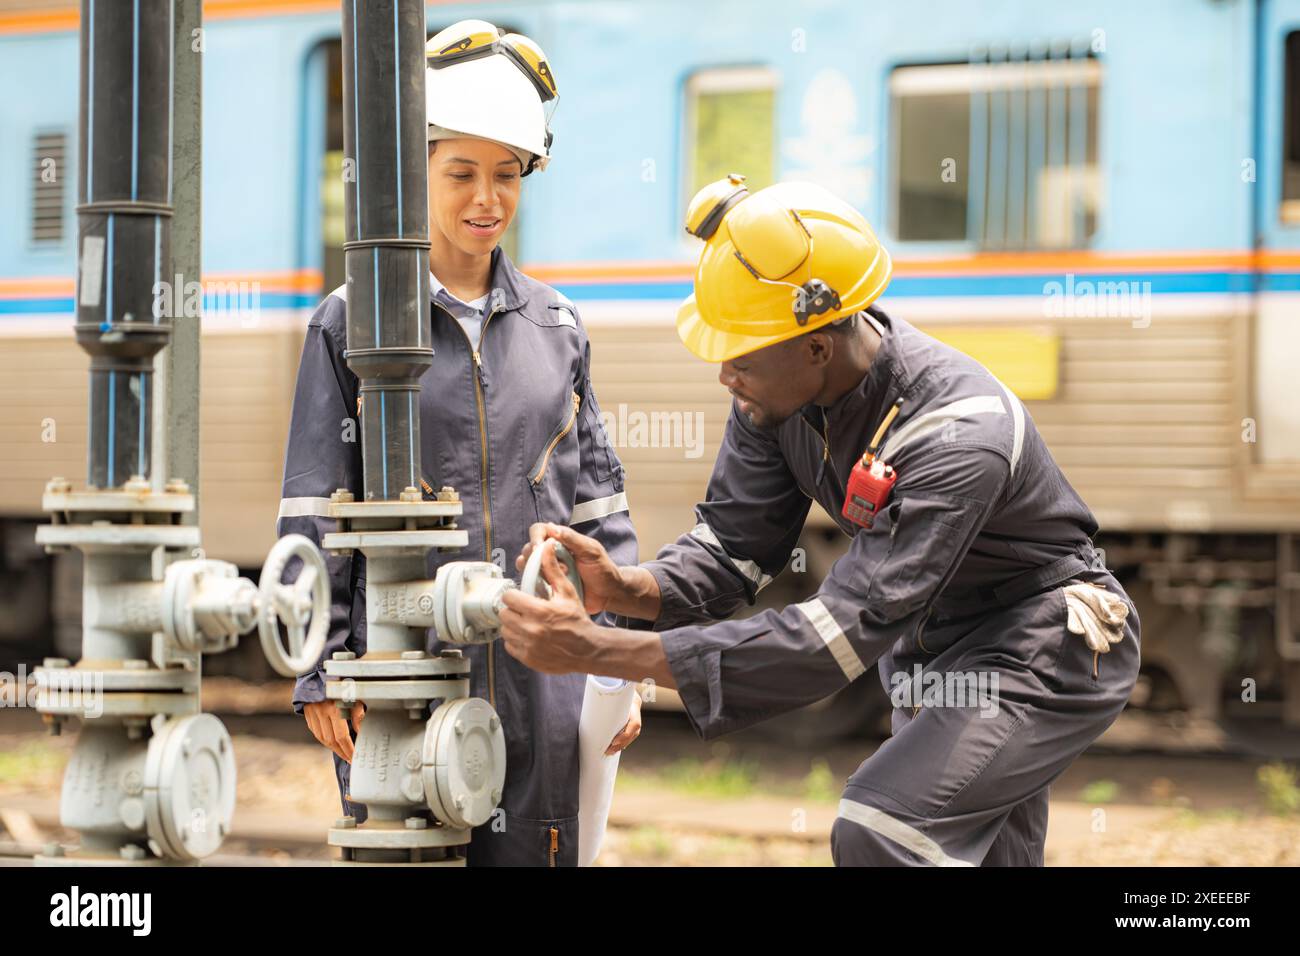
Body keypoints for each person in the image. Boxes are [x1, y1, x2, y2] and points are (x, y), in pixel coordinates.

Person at [498, 174, 1141, 866]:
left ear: (816, 344)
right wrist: (622, 588)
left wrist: (593, 651)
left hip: (1043, 642)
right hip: (934, 656)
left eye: (739, 354)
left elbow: (827, 643)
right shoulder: (773, 401)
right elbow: (730, 551)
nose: (725, 375)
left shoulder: (959, 434)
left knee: (885, 827)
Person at [276, 20, 640, 866]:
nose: (488, 198)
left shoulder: (556, 323)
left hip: (541, 671)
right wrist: (322, 664)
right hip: (402, 671)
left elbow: (600, 505)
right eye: (462, 173)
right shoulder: (350, 321)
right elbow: (311, 503)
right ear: (417, 173)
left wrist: (621, 654)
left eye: (507, 175)